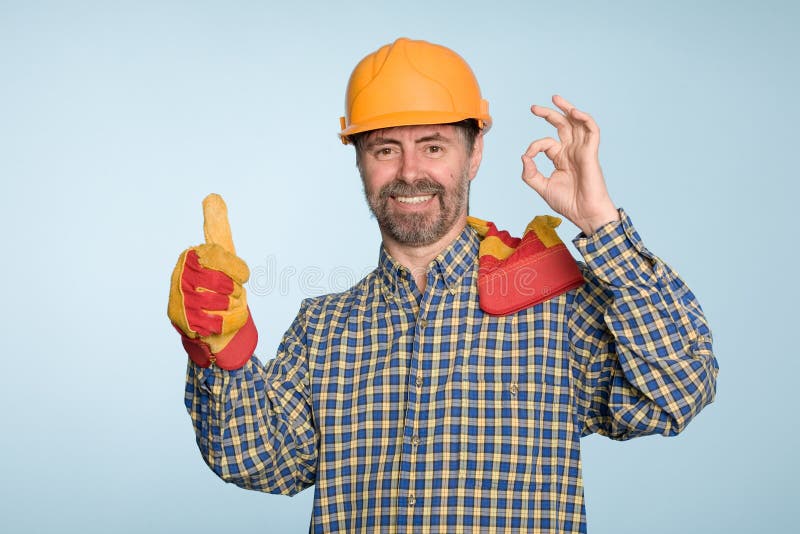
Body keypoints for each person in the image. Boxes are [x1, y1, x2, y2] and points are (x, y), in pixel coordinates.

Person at [168, 37, 718, 533]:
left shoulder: (556, 306)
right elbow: (261, 460)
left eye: (433, 146)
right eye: (386, 149)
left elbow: (680, 390)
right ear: (360, 161)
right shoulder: (323, 327)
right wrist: (222, 353)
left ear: (474, 153)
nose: (410, 171)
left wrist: (600, 224)